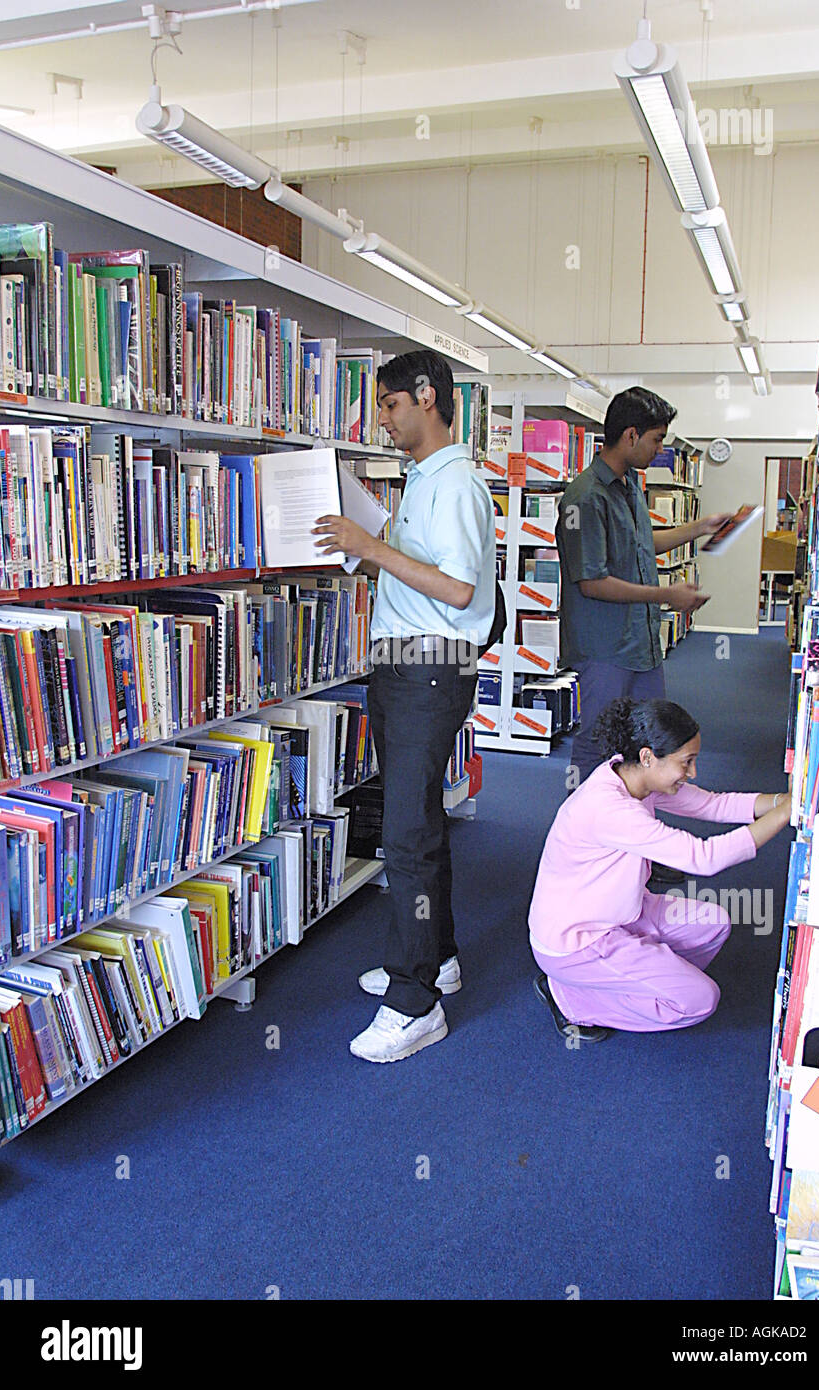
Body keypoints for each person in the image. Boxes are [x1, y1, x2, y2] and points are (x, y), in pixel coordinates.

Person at [312, 349, 496, 1063]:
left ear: (426, 397)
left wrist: (373, 546)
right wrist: (365, 548)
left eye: (389, 404)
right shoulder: (422, 480)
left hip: (430, 670)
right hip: (403, 666)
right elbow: (422, 574)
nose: (383, 419)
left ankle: (415, 1002)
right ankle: (437, 957)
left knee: (408, 834)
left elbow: (457, 589)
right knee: (416, 822)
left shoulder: (456, 483)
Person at [528, 697, 792, 1040]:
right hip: (576, 941)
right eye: (687, 762)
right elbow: (704, 857)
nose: (693, 772)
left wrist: (782, 801)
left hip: (621, 910)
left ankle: (636, 976)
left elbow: (712, 804)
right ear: (648, 756)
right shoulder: (609, 809)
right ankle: (572, 998)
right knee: (701, 1000)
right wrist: (783, 816)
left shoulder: (632, 776)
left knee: (714, 924)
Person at [557, 386, 732, 789]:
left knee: (649, 743)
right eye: (657, 439)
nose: (660, 450)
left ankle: (631, 821)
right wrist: (666, 595)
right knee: (599, 744)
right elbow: (592, 582)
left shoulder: (631, 484)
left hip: (641, 644)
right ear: (631, 435)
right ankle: (579, 824)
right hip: (605, 648)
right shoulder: (584, 498)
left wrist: (699, 528)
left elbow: (641, 543)